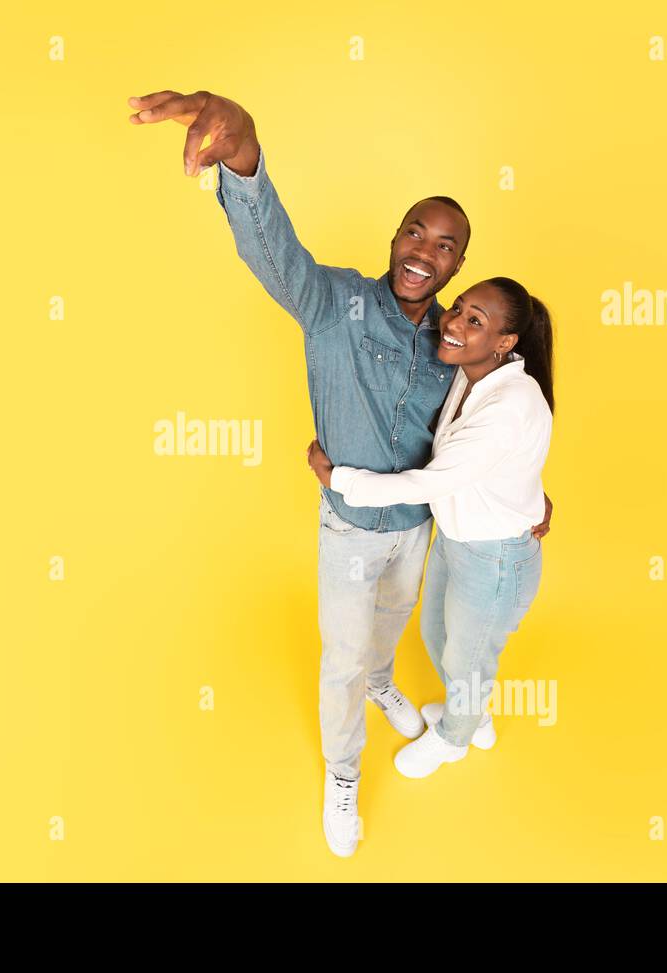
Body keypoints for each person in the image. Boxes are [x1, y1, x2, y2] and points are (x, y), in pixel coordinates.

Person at [128, 90, 552, 858]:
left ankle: (389, 680)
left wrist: (531, 494)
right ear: (395, 239)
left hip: (420, 529)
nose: (427, 250)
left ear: (461, 262)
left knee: (389, 628)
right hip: (351, 529)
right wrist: (246, 154)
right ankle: (344, 771)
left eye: (447, 244)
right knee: (343, 658)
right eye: (416, 231)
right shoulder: (333, 302)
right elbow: (274, 252)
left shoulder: (460, 339)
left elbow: (491, 426)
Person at [308, 277, 554, 782]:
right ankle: (474, 717)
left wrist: (338, 479)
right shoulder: (473, 371)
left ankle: (454, 738)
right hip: (457, 543)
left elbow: (430, 480)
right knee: (436, 634)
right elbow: (507, 464)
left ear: (506, 342)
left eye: (474, 321)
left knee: (468, 659)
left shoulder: (510, 403)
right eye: (459, 308)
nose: (454, 322)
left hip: (495, 557)